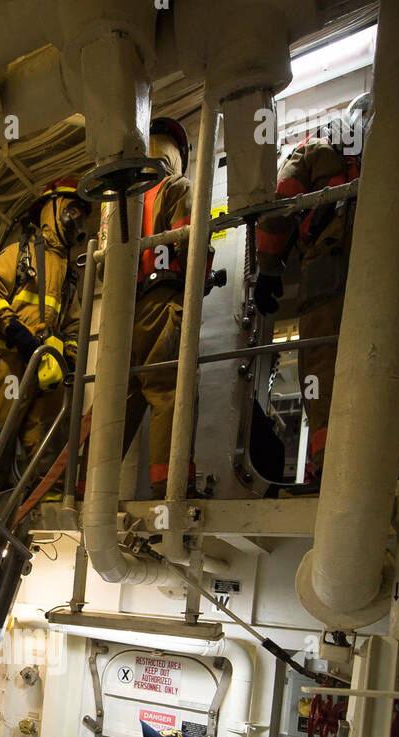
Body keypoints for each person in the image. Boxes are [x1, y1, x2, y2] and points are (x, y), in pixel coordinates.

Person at [254, 93, 372, 491]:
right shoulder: (398, 154)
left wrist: (267, 272)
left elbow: (279, 206)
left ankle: (329, 468)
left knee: (320, 368)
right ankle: (373, 464)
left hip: (327, 268)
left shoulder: (314, 149)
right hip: (383, 270)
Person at [0, 177, 91, 501]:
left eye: (82, 213)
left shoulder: (69, 274)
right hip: (8, 361)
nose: (77, 219)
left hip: (44, 370)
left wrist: (67, 356)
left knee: (46, 438)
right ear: (51, 210)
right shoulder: (19, 254)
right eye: (71, 210)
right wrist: (17, 332)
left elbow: (73, 326)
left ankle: (45, 502)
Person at [125, 116, 217, 499]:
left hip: (125, 317)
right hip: (165, 307)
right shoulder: (176, 187)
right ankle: (170, 484)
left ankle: (83, 487)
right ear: (178, 153)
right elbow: (193, 251)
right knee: (169, 392)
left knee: (120, 399)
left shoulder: (123, 201)